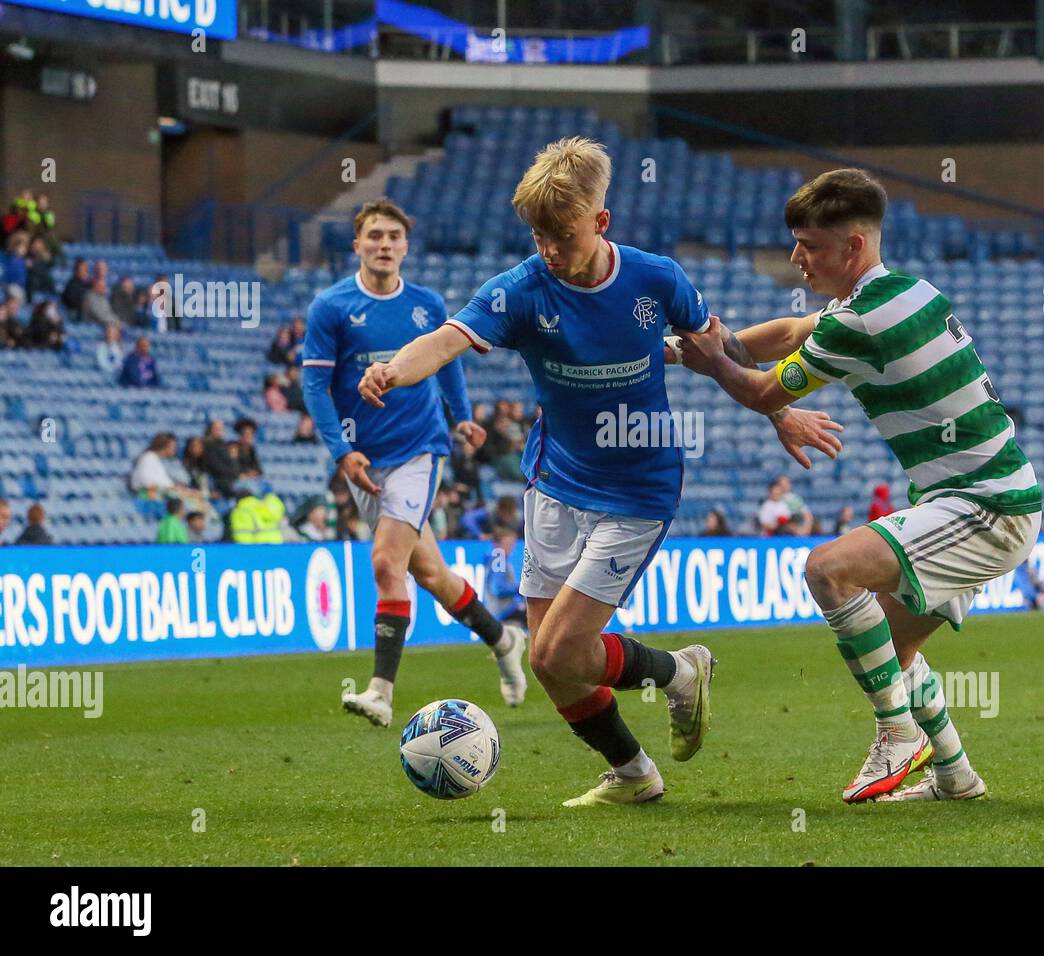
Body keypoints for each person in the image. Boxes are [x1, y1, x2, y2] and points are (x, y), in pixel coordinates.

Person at [358, 140, 836, 807]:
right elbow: (444, 341)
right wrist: (392, 368)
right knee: (550, 663)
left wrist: (775, 409)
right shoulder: (521, 289)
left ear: (601, 223)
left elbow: (715, 349)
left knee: (557, 653)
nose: (549, 248)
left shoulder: (654, 279)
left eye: (562, 234)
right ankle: (636, 772)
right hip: (555, 480)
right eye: (538, 236)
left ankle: (679, 673)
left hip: (638, 487)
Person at [675, 167, 1040, 803]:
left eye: (809, 246)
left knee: (828, 570)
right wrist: (684, 353)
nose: (796, 258)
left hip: (986, 506)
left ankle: (897, 733)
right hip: (986, 497)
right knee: (893, 650)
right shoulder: (905, 292)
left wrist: (711, 362)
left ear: (854, 246)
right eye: (795, 242)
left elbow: (762, 389)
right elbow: (790, 333)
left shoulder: (861, 323)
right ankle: (956, 776)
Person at [302, 197, 528, 725]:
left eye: (393, 237)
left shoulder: (426, 304)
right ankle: (504, 639)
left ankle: (380, 691)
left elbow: (446, 359)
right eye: (374, 236)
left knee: (385, 563)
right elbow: (314, 385)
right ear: (357, 244)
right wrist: (342, 452)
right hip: (363, 457)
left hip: (419, 449)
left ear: (405, 246)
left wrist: (462, 416)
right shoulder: (330, 307)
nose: (384, 245)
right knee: (430, 573)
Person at [484, 525, 527, 627]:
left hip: (502, 609)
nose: (510, 548)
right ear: (498, 544)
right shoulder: (498, 558)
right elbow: (498, 588)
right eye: (508, 544)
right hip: (501, 610)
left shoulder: (497, 558)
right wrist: (520, 588)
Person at [200, 420, 240, 498]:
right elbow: (215, 467)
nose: (220, 431)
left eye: (221, 429)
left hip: (231, 478)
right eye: (217, 428)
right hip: (219, 481)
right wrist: (233, 472)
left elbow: (233, 462)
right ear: (210, 430)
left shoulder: (224, 445)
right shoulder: (208, 446)